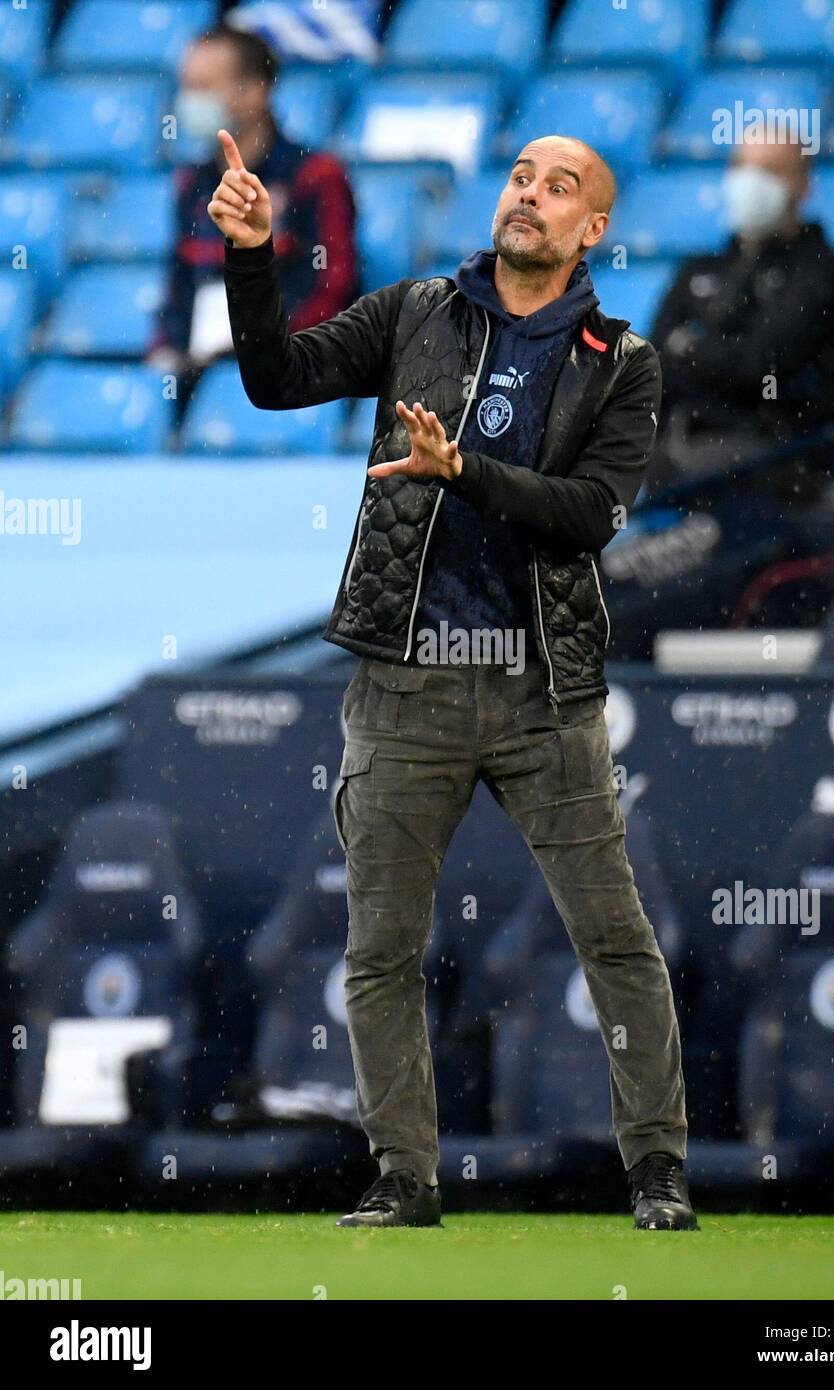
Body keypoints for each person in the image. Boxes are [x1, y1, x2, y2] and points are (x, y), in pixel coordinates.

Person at [214, 128, 698, 1232]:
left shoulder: (622, 361)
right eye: (521, 177)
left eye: (559, 185)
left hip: (543, 690)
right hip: (404, 687)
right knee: (380, 947)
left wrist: (463, 472)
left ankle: (658, 1169)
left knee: (614, 935)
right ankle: (403, 1176)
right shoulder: (416, 312)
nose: (529, 195)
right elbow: (274, 378)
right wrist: (254, 256)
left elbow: (590, 517)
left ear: (595, 228)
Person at [147, 25, 358, 425]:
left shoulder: (316, 176)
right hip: (198, 376)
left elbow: (332, 286)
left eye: (204, 87)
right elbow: (177, 285)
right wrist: (167, 350)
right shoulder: (192, 184)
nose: (190, 101)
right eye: (186, 87)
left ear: (255, 91)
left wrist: (264, 349)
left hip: (290, 375)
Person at [649, 134, 834, 504]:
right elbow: (653, 366)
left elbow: (763, 366)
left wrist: (690, 349)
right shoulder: (701, 268)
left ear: (802, 186)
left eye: (770, 169)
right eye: (741, 166)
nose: (750, 180)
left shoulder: (820, 270)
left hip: (780, 458)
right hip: (681, 444)